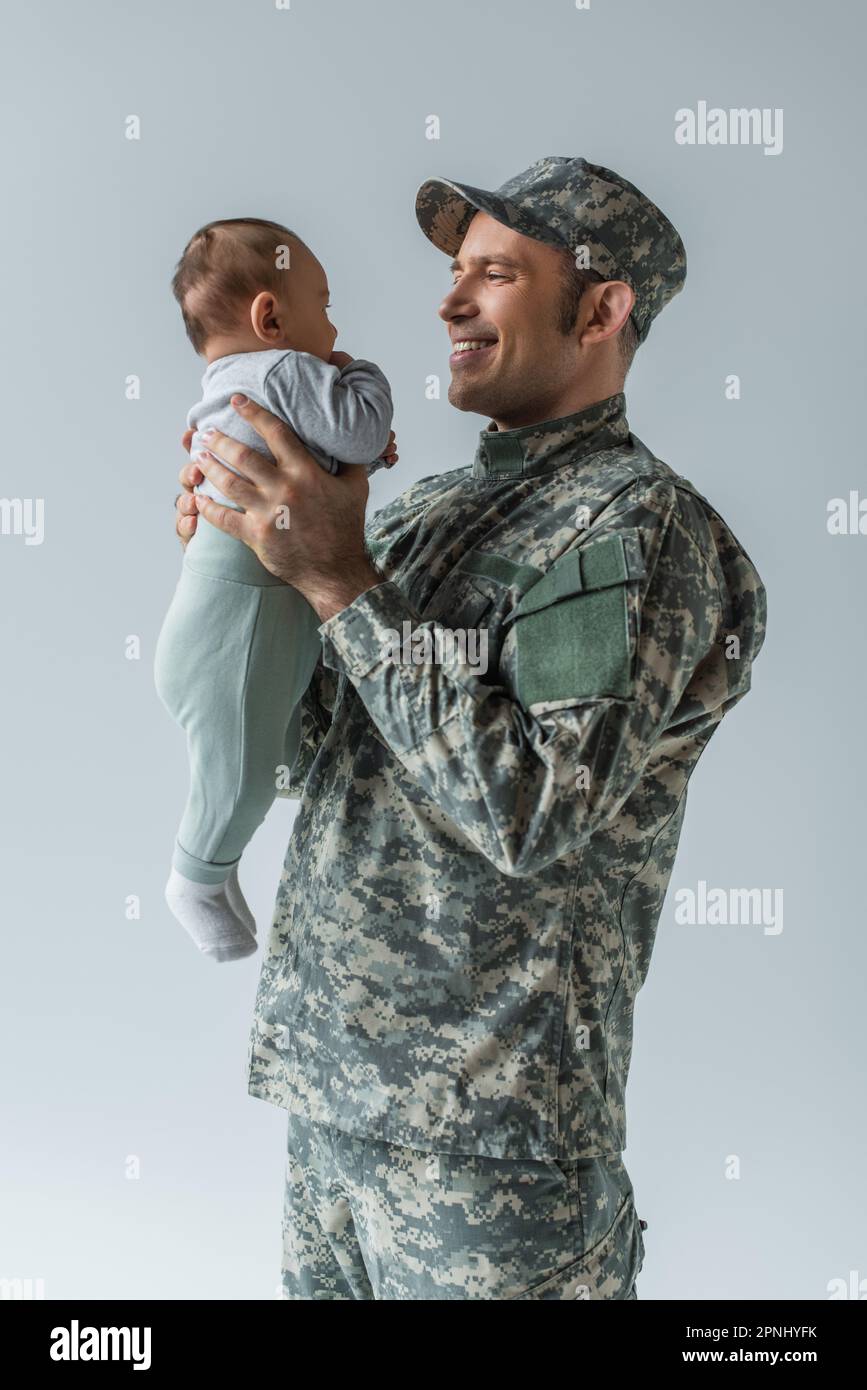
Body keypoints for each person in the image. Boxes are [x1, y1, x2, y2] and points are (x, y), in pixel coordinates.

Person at [172, 156, 767, 1300]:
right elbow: (318, 761)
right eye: (454, 273)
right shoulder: (429, 514)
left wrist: (340, 581)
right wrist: (244, 572)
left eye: (493, 274)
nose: (448, 301)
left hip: (496, 1156)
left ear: (601, 309)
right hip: (336, 1105)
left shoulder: (640, 530)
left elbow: (528, 807)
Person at [154, 217, 395, 961]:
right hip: (241, 631)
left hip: (235, 623)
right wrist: (364, 378)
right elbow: (359, 430)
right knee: (238, 784)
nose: (333, 324)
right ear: (270, 317)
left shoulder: (228, 385)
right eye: (322, 303)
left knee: (252, 768)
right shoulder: (285, 373)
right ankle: (194, 882)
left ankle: (213, 875)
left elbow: (325, 464)